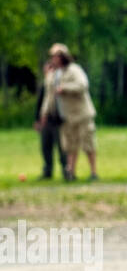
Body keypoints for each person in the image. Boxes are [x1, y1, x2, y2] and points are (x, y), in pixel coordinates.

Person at [39, 43, 97, 181]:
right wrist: (44, 113)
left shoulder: (74, 70)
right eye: (52, 56)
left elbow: (83, 85)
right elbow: (49, 96)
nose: (53, 58)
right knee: (69, 146)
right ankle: (71, 172)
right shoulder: (52, 74)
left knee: (88, 143)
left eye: (56, 56)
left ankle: (93, 173)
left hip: (81, 114)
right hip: (65, 115)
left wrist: (65, 88)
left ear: (63, 56)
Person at [33, 60, 67, 180]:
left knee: (62, 146)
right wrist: (38, 119)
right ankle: (47, 171)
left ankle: (66, 170)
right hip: (46, 120)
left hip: (58, 120)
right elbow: (40, 104)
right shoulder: (45, 86)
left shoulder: (57, 84)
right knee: (45, 146)